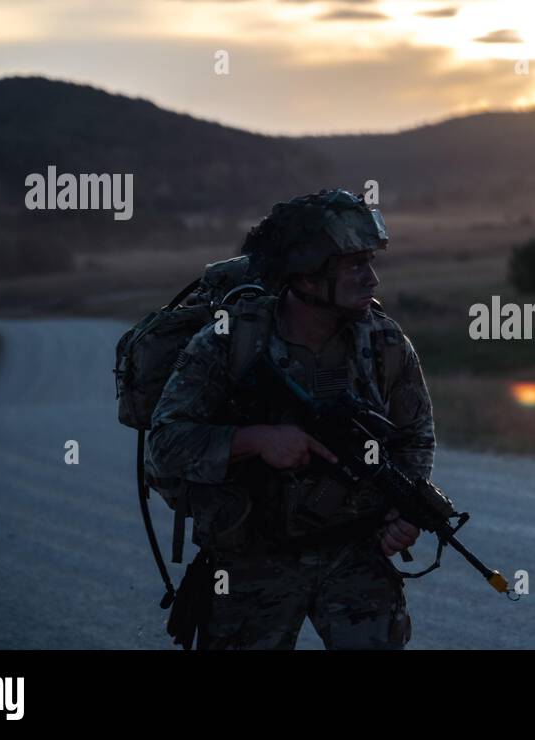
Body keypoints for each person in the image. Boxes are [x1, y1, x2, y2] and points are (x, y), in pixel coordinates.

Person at [145, 189, 435, 649]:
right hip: (251, 560)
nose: (372, 279)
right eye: (355, 265)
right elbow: (164, 445)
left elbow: (415, 436)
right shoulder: (228, 341)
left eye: (370, 262)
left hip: (355, 551)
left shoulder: (384, 342)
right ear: (308, 274)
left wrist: (406, 511)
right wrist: (254, 440)